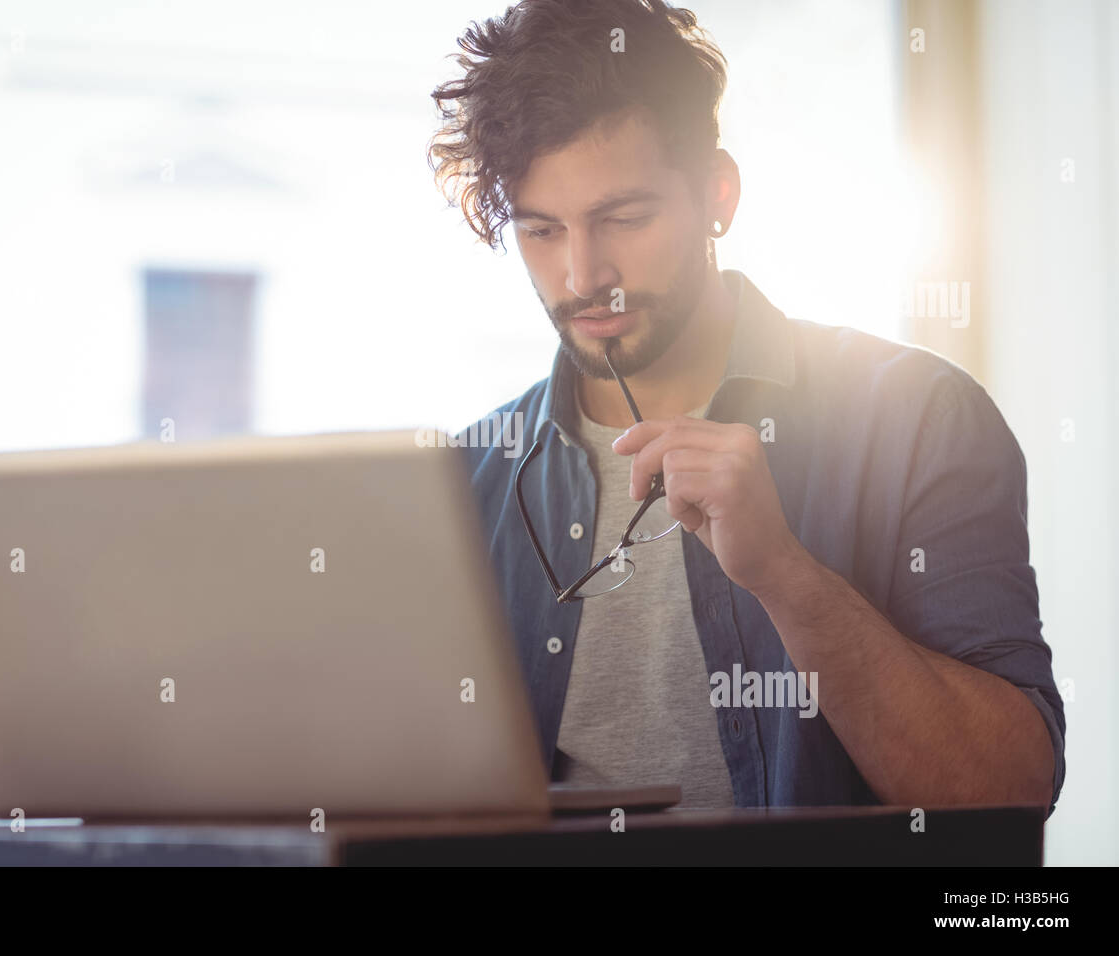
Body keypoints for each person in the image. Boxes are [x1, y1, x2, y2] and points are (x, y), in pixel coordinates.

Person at [427, 0, 1064, 813]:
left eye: (624, 217)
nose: (583, 275)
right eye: (543, 230)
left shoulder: (919, 419)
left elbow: (1008, 791)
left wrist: (786, 578)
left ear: (718, 194)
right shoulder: (465, 481)